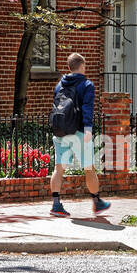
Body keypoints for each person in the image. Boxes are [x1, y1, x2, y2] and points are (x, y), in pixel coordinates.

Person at [50, 52, 111, 218]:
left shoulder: (59, 85)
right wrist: (88, 130)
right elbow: (87, 108)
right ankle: (97, 202)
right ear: (82, 66)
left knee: (59, 169)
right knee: (89, 168)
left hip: (61, 130)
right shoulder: (87, 84)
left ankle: (56, 204)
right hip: (78, 131)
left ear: (70, 67)